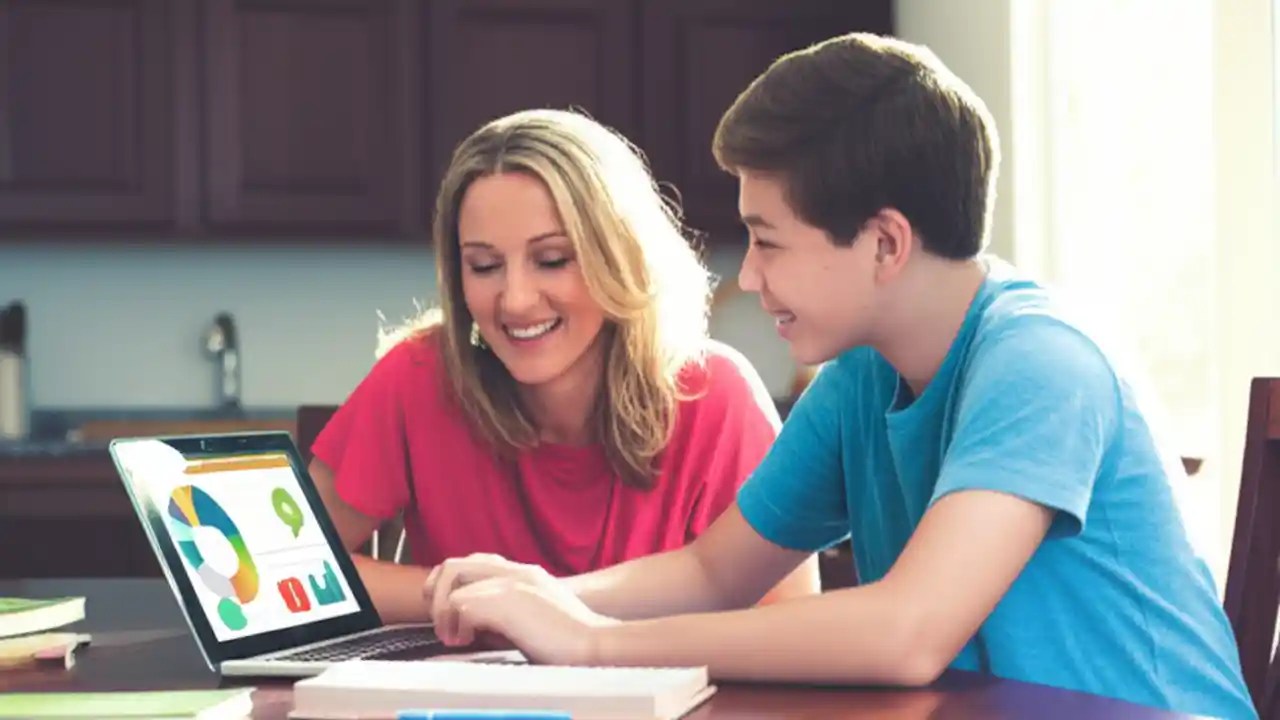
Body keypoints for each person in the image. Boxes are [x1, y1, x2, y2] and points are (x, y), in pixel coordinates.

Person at [422, 33, 1257, 719]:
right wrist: (546, 595)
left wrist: (592, 642)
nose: (750, 275)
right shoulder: (862, 376)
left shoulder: (1042, 363)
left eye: (768, 240)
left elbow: (907, 633)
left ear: (885, 244)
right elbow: (715, 574)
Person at [310, 108, 820, 624]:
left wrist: (533, 603)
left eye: (552, 260)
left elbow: (791, 626)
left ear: (620, 257)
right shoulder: (419, 376)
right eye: (484, 266)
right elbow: (281, 573)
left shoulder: (715, 396)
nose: (515, 300)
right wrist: (468, 598)